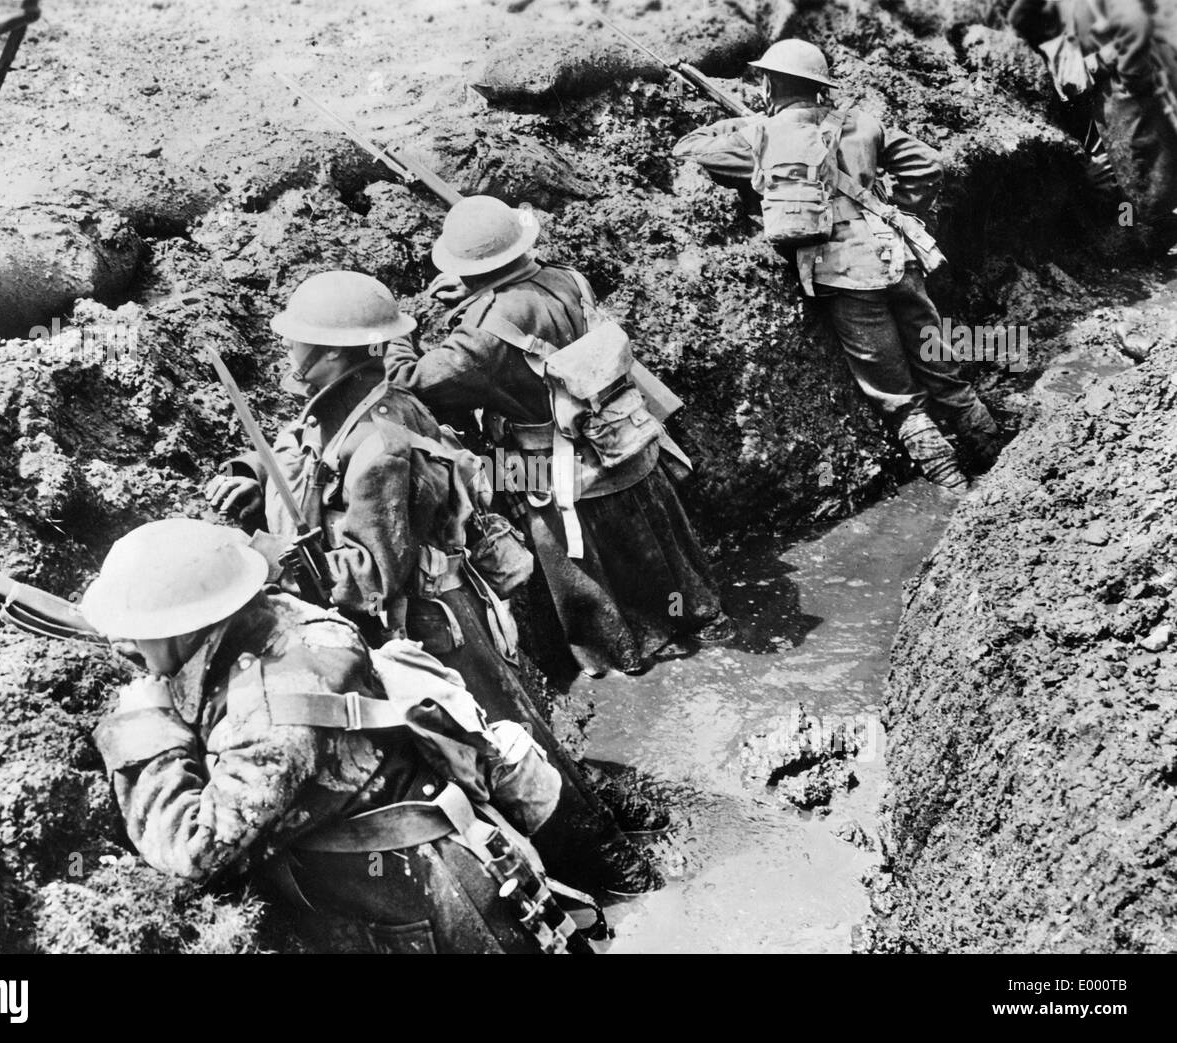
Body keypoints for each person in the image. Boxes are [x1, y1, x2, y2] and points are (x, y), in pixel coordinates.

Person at [205, 270, 659, 894]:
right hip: (444, 614)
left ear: (333, 353)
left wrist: (269, 554)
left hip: (431, 633)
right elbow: (303, 446)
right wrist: (253, 471)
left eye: (298, 341)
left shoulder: (378, 446)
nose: (288, 351)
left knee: (490, 750)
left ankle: (592, 868)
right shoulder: (363, 402)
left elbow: (368, 584)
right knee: (505, 736)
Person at [83, 518, 588, 953]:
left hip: (439, 911)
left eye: (138, 630)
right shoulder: (283, 617)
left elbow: (193, 852)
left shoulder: (272, 720)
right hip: (445, 872)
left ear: (188, 627)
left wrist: (147, 733)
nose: (122, 643)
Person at [384, 195, 736, 679]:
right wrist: (474, 295)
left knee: (588, 593)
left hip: (558, 477)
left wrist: (396, 337)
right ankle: (695, 623)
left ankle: (622, 663)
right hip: (630, 448)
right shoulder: (569, 278)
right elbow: (527, 303)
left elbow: (410, 387)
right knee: (671, 577)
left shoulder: (482, 336)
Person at [673, 39, 1005, 492]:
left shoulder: (763, 134)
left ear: (769, 83)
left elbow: (692, 148)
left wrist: (745, 122)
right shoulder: (862, 122)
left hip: (844, 274)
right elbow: (926, 165)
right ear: (819, 86)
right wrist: (901, 210)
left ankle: (955, 488)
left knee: (897, 395)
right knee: (940, 366)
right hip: (898, 258)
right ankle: (1003, 462)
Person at [1009, 0, 1177, 253]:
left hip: (1123, 103)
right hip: (1092, 98)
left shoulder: (1126, 11)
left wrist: (1094, 64)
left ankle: (1138, 233)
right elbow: (1019, 19)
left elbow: (1134, 57)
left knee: (1131, 177)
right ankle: (1135, 231)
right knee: (1124, 176)